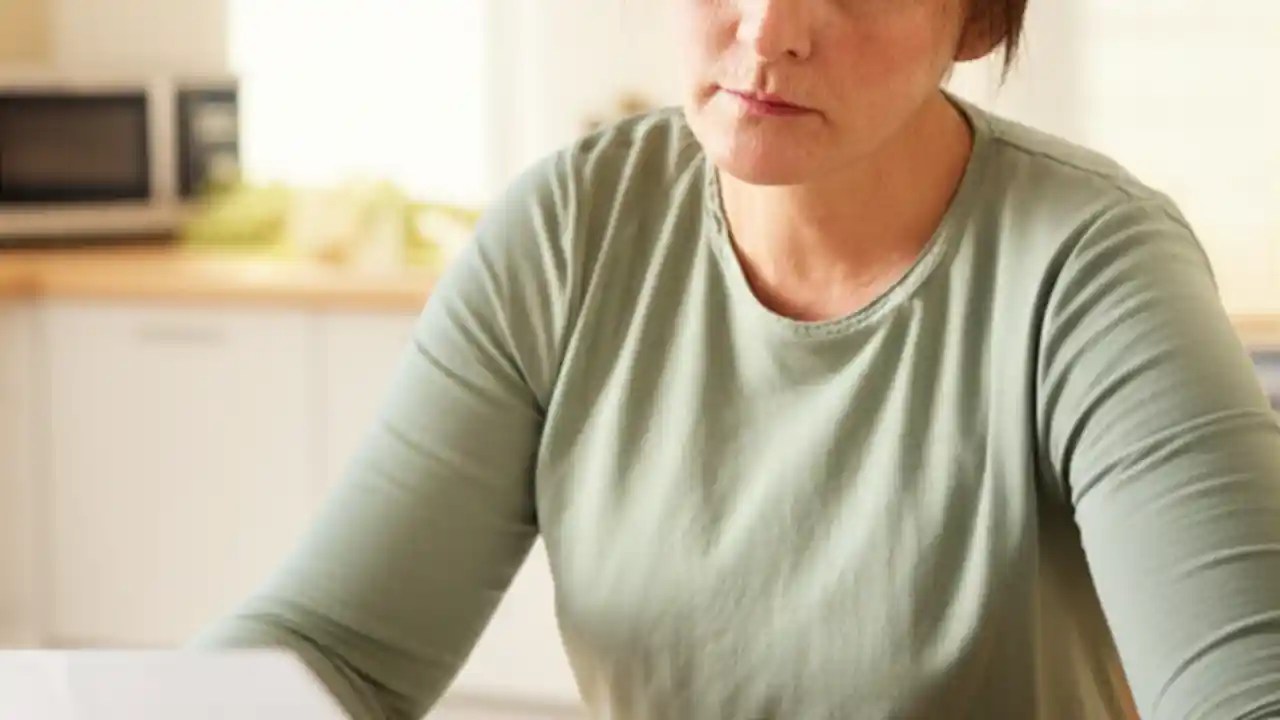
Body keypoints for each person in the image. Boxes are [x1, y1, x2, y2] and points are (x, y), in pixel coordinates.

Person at [195, 0, 1280, 717]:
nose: (766, 32)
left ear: (975, 18)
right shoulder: (570, 232)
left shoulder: (1089, 269)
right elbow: (333, 649)